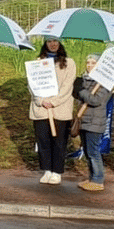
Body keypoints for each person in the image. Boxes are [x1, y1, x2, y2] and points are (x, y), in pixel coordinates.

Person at [30, 35, 75, 184]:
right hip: (41, 110)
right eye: (49, 41)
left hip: (60, 109)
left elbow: (68, 86)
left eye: (55, 41)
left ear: (60, 42)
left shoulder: (69, 63)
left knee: (59, 141)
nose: (52, 44)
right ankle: (47, 170)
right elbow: (32, 85)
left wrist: (54, 102)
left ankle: (57, 171)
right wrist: (41, 101)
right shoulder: (37, 63)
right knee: (43, 140)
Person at [74, 53, 113, 192]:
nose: (89, 65)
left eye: (93, 63)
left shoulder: (105, 82)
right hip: (84, 120)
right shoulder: (85, 80)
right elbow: (80, 96)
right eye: (88, 62)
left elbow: (95, 100)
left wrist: (81, 91)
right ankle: (91, 178)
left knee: (93, 152)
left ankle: (98, 180)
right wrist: (77, 89)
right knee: (88, 151)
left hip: (95, 122)